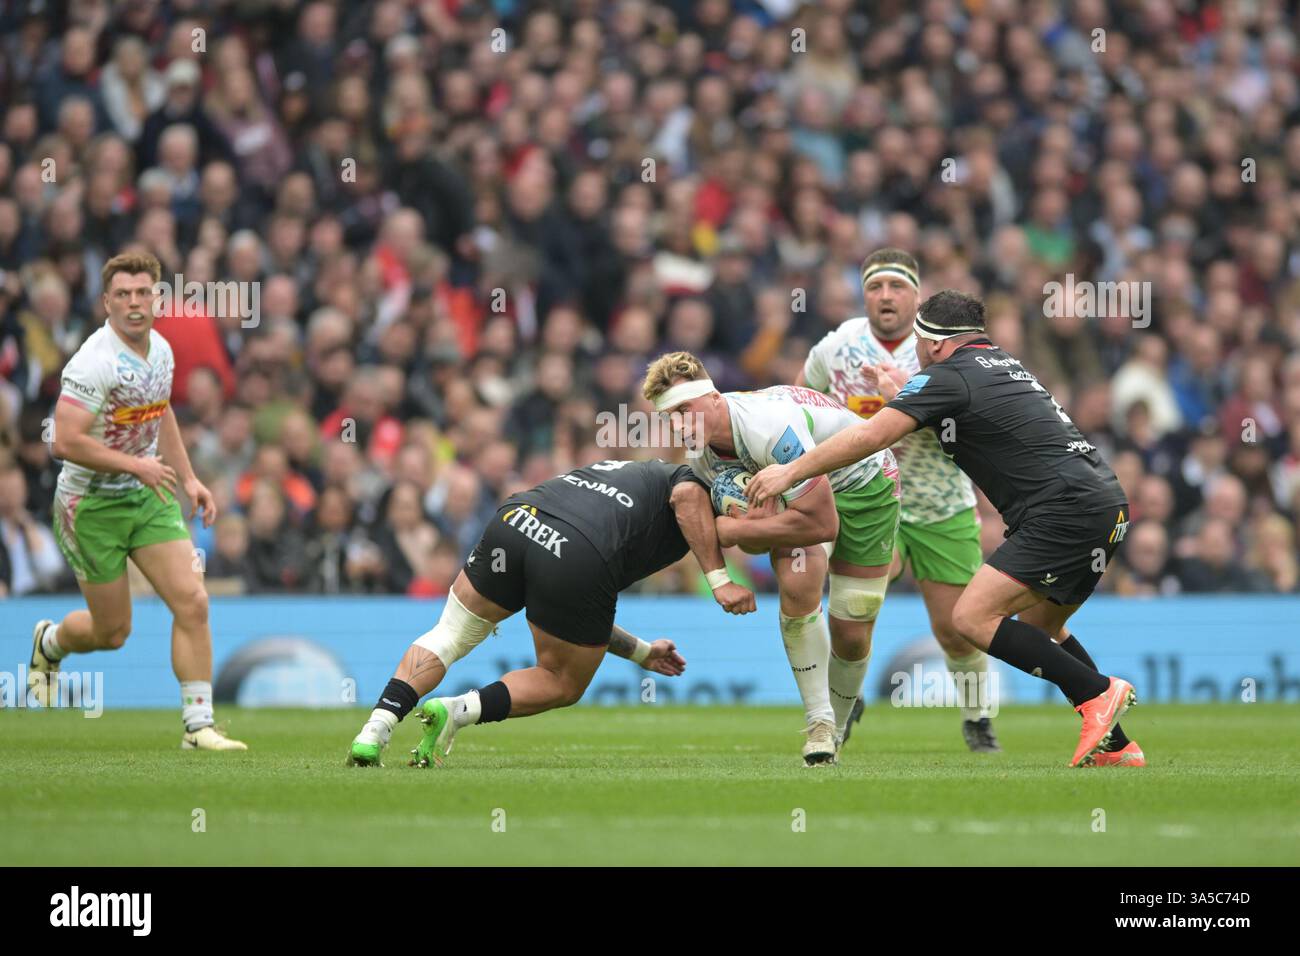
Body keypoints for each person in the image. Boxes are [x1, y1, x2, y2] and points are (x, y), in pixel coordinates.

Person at [748, 290, 1142, 768]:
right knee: (1044, 626)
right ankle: (1116, 744)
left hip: (1061, 512)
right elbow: (960, 414)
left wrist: (791, 471)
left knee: (971, 618)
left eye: (917, 339)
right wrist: (907, 391)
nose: (914, 347)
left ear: (933, 344)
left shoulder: (946, 377)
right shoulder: (1002, 363)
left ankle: (1098, 691)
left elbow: (871, 436)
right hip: (1106, 505)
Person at [347, 458, 756, 768]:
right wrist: (719, 579)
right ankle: (456, 711)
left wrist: (642, 652)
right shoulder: (690, 489)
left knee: (450, 633)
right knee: (561, 680)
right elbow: (686, 498)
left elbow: (580, 617)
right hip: (578, 549)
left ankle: (374, 729)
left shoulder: (640, 472)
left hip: (519, 518)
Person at [642, 351, 900, 765]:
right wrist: (749, 532)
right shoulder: (705, 456)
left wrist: (736, 530)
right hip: (804, 497)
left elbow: (821, 524)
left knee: (854, 619)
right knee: (797, 588)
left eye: (684, 410)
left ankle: (842, 713)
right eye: (668, 417)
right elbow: (763, 541)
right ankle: (821, 724)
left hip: (865, 483)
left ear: (711, 397)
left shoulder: (768, 428)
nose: (678, 425)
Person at [31, 252, 245, 750]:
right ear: (106, 301)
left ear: (157, 298)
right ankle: (50, 641)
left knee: (192, 600)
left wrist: (188, 479)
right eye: (123, 294)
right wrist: (136, 464)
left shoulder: (163, 352)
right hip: (89, 507)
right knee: (113, 632)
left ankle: (198, 727)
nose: (133, 303)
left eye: (142, 293)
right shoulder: (93, 361)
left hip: (147, 497)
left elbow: (160, 412)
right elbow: (64, 440)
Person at [800, 249, 999, 752]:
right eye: (875, 286)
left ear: (917, 294)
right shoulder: (838, 347)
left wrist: (903, 394)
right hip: (866, 497)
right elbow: (800, 401)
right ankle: (842, 704)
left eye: (897, 287)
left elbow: (973, 425)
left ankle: (977, 718)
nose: (886, 296)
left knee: (957, 629)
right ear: (863, 293)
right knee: (851, 616)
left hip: (939, 503)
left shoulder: (941, 349)